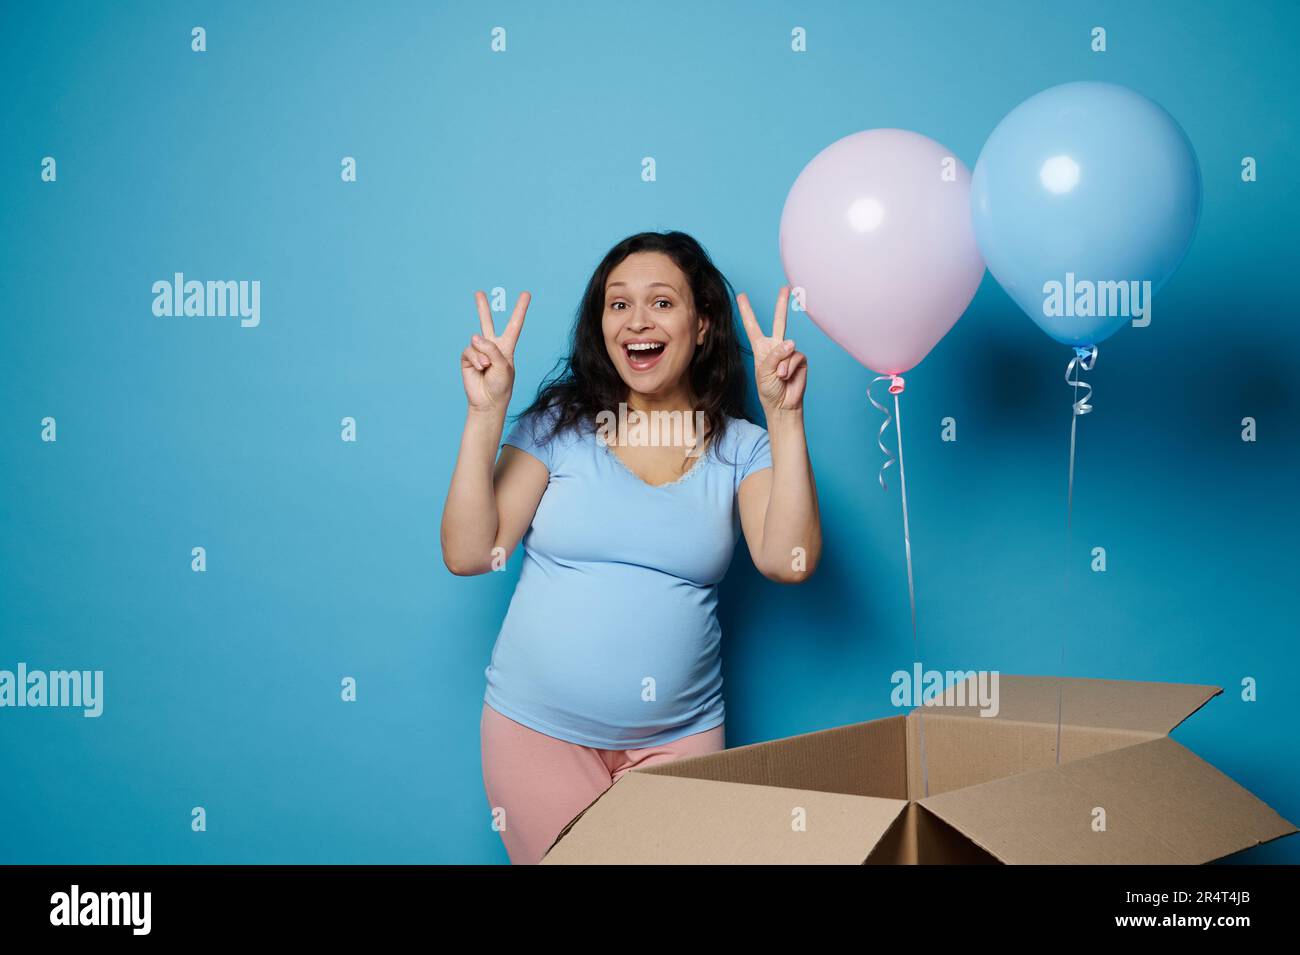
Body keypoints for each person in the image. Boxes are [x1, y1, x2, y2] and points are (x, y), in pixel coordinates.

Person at [441, 231, 822, 864]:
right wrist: (486, 414)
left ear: (702, 326)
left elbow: (788, 561)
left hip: (680, 743)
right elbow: (469, 552)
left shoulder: (743, 447)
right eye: (618, 304)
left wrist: (786, 417)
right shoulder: (555, 430)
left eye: (661, 303)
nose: (636, 321)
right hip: (537, 737)